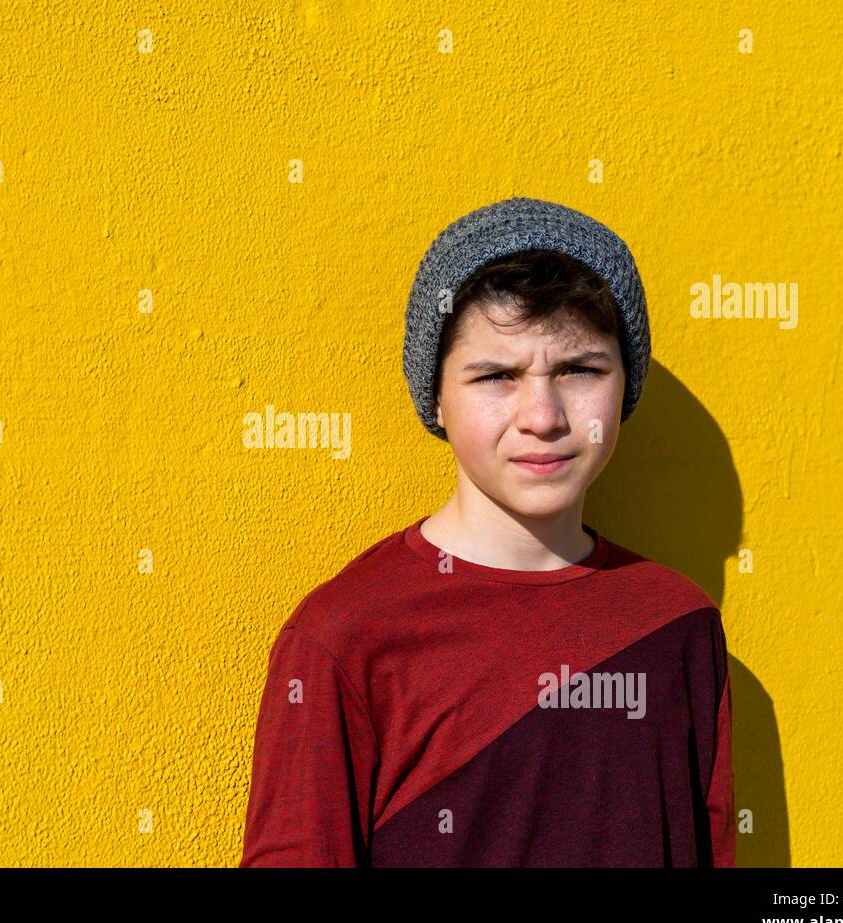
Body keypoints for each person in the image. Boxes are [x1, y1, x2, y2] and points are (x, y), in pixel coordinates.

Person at [239, 197, 734, 867]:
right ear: (437, 398)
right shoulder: (344, 638)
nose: (543, 415)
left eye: (579, 370)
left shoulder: (679, 622)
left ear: (625, 389)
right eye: (497, 375)